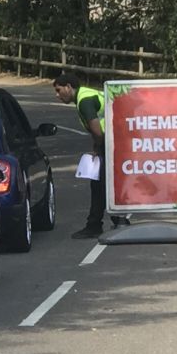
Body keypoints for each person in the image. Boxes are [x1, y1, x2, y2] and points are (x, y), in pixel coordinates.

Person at [52, 72, 129, 239]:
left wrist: (98, 148)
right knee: (102, 183)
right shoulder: (85, 94)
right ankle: (115, 220)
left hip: (113, 142)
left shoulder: (84, 101)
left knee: (101, 183)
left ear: (69, 87)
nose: (57, 95)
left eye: (59, 90)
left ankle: (98, 224)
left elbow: (97, 131)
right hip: (116, 139)